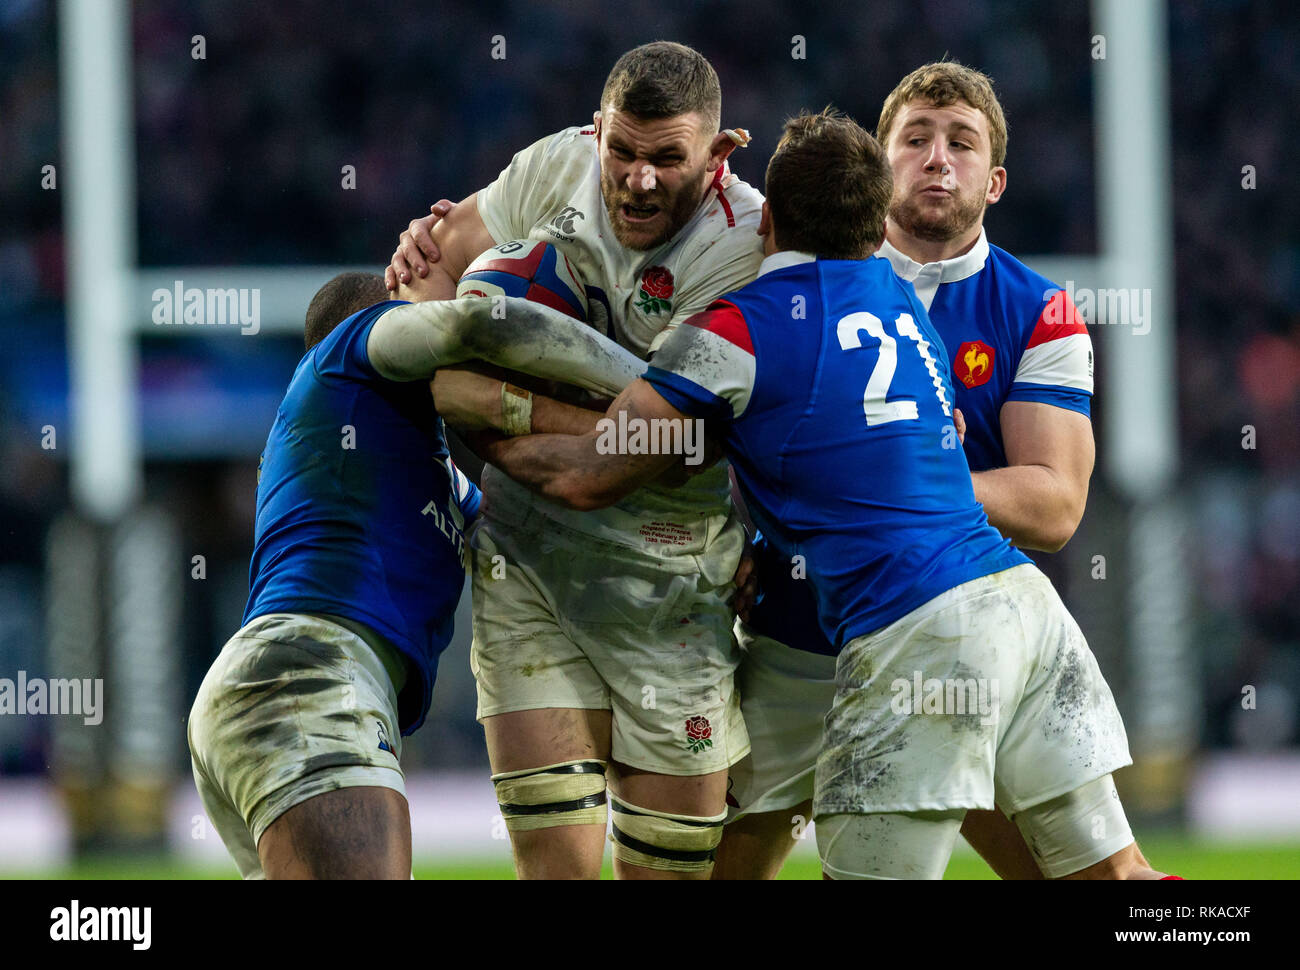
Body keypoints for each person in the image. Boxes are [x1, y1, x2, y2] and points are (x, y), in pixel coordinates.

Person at [469, 108, 1170, 880]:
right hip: (1022, 609)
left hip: (909, 633)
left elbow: (586, 472)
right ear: (877, 228)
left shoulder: (737, 330)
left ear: (765, 218)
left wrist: (480, 411)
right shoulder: (902, 305)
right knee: (1120, 879)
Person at [712, 62, 1117, 880]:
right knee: (719, 865)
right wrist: (740, 533)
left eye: (961, 143)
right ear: (878, 161)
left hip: (943, 644)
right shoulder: (792, 280)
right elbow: (717, 417)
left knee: (1065, 873)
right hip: (794, 636)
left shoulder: (1041, 311)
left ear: (995, 181)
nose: (938, 159)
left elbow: (1056, 503)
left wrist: (879, 488)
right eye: (916, 139)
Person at [384, 41, 766, 879]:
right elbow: (429, 285)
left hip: (672, 584)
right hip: (530, 561)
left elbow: (662, 447)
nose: (638, 179)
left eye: (668, 158)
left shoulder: (746, 250)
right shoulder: (554, 166)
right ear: (596, 132)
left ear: (720, 152)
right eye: (622, 151)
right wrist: (432, 291)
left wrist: (497, 401)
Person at [187, 270, 639, 879]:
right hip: (307, 677)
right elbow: (478, 324)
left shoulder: (427, 468)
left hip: (287, 687)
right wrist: (650, 390)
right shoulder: (348, 348)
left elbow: (535, 545)